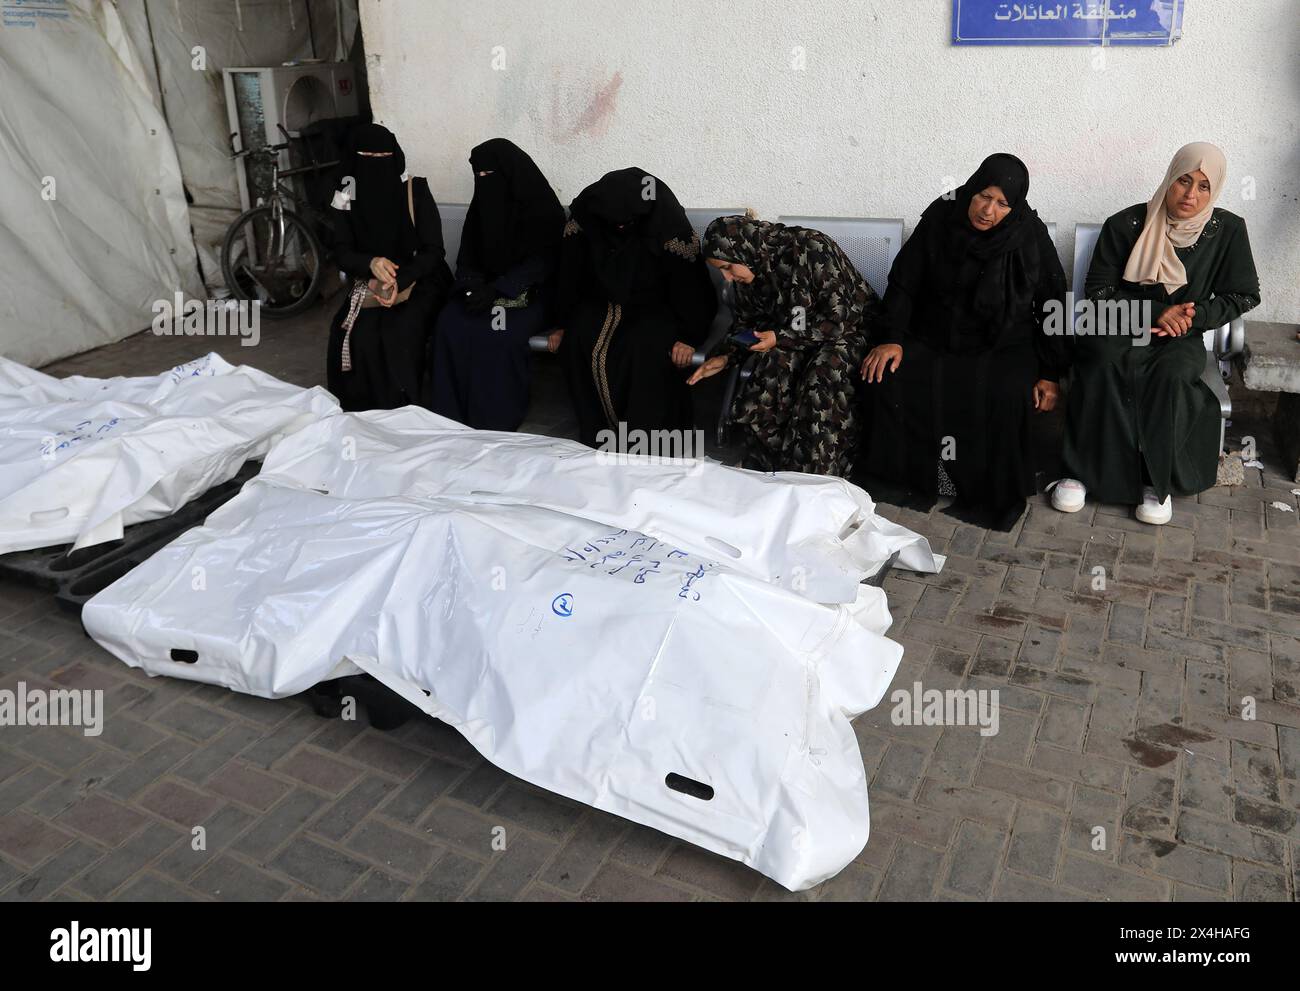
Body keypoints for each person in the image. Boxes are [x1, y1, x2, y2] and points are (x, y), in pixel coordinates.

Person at [858, 153, 1068, 531]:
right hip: (935, 332)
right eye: (984, 196)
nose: (989, 211)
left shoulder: (1028, 233)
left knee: (1004, 390)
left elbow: (1052, 301)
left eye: (1003, 203)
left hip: (1004, 340)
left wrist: (1051, 371)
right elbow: (905, 282)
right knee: (889, 375)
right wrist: (892, 338)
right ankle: (915, 479)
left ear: (1015, 205)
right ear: (971, 189)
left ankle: (973, 486)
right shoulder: (942, 217)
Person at [1055, 142, 1260, 525]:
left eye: (1203, 187)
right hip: (1118, 326)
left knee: (1170, 376)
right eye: (1183, 181)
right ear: (1169, 179)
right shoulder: (1127, 224)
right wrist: (1156, 311)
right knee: (1099, 363)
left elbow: (1244, 295)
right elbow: (1097, 294)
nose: (1190, 195)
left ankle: (1155, 481)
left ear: (1214, 191)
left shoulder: (1227, 231)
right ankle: (1081, 471)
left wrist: (1193, 316)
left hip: (1182, 335)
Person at [687, 215, 878, 476]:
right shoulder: (753, 270)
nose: (727, 278)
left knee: (821, 375)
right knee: (772, 367)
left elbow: (840, 320)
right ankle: (768, 469)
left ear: (746, 248)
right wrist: (726, 356)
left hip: (851, 333)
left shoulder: (812, 248)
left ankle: (817, 475)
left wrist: (781, 337)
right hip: (794, 336)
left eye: (728, 267)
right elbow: (748, 323)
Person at [550, 168, 716, 448]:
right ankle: (598, 433)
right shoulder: (588, 217)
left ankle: (648, 438)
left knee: (643, 347)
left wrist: (689, 336)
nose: (620, 229)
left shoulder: (666, 223)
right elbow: (569, 274)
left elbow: (690, 287)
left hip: (658, 305)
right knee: (580, 336)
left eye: (627, 224)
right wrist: (561, 322)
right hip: (599, 301)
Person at [426, 139, 566, 430]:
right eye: (480, 177)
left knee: (498, 333)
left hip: (528, 294)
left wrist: (499, 289)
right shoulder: (481, 209)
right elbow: (467, 255)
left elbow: (543, 262)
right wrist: (470, 285)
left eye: (491, 176)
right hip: (484, 290)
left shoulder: (542, 208)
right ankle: (450, 416)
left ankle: (494, 420)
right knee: (451, 322)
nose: (484, 182)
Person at [326, 123, 452, 411]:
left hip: (421, 278)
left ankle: (402, 409)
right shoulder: (345, 194)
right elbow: (341, 249)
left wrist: (402, 278)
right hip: (369, 280)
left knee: (399, 330)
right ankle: (362, 412)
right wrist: (370, 263)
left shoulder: (415, 190)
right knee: (354, 332)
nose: (375, 166)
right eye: (366, 157)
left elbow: (434, 250)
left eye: (382, 157)